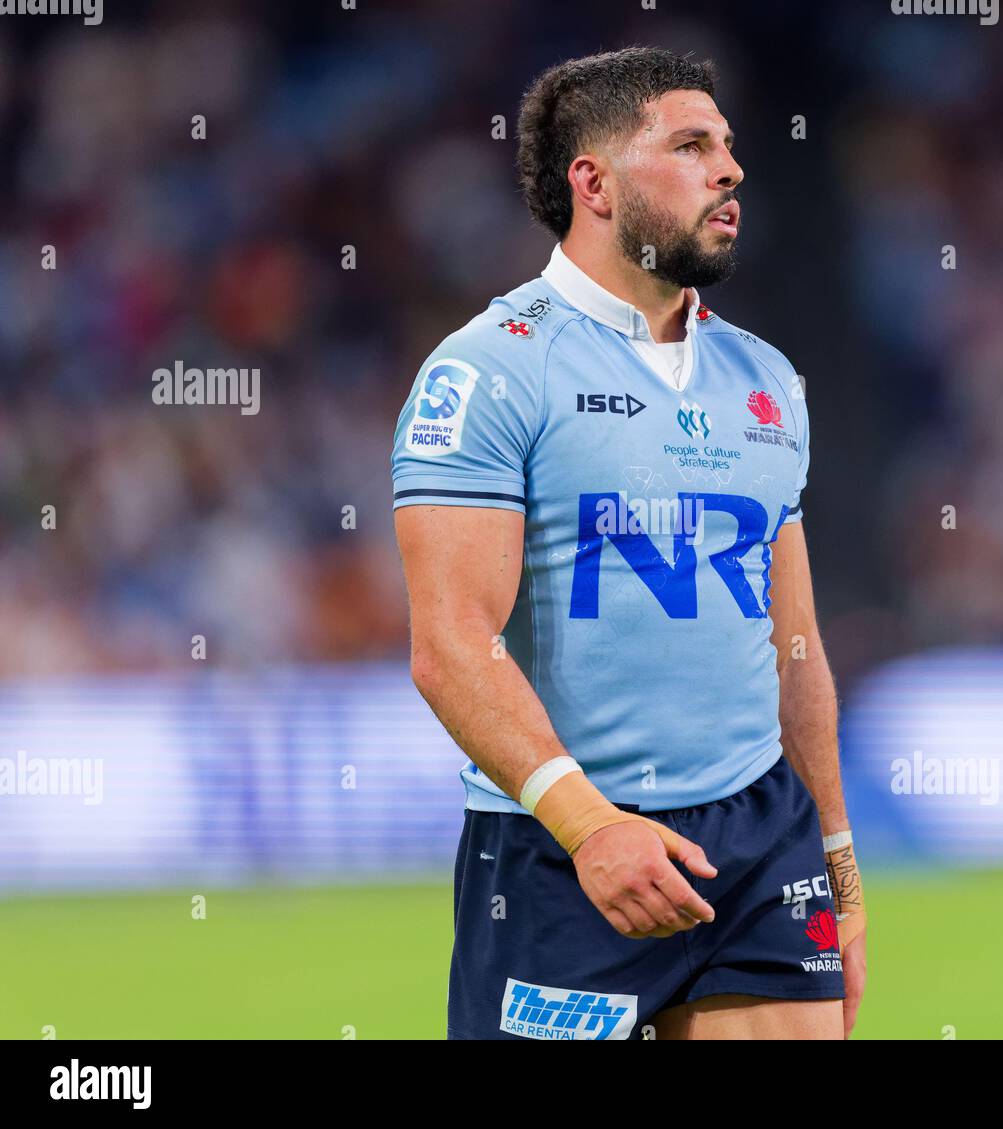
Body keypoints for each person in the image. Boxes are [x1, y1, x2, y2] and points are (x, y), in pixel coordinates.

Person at [392, 46, 865, 1040]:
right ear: (593, 182)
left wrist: (837, 859)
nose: (729, 168)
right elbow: (450, 645)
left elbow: (795, 645)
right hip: (558, 849)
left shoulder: (768, 379)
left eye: (728, 146)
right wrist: (589, 826)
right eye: (691, 145)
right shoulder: (485, 373)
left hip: (758, 835)